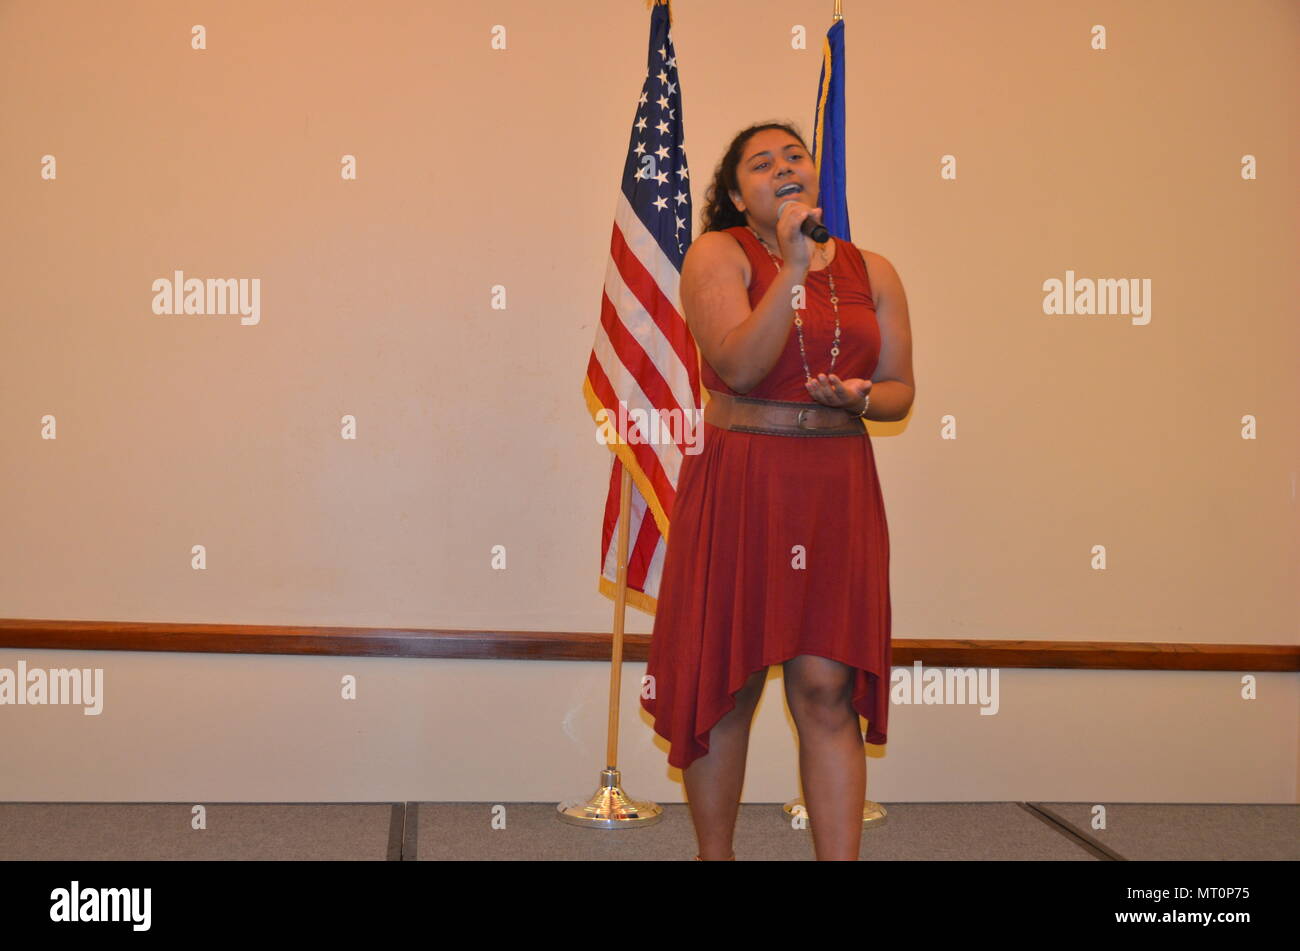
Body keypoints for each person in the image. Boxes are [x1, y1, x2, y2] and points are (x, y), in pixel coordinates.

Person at [640, 122, 915, 861]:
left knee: (829, 689)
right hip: (745, 482)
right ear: (736, 195)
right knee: (729, 690)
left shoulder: (874, 269)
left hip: (836, 489)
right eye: (761, 164)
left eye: (795, 155)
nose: (783, 168)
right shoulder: (717, 254)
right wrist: (792, 268)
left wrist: (860, 396)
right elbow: (738, 362)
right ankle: (715, 856)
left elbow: (901, 391)